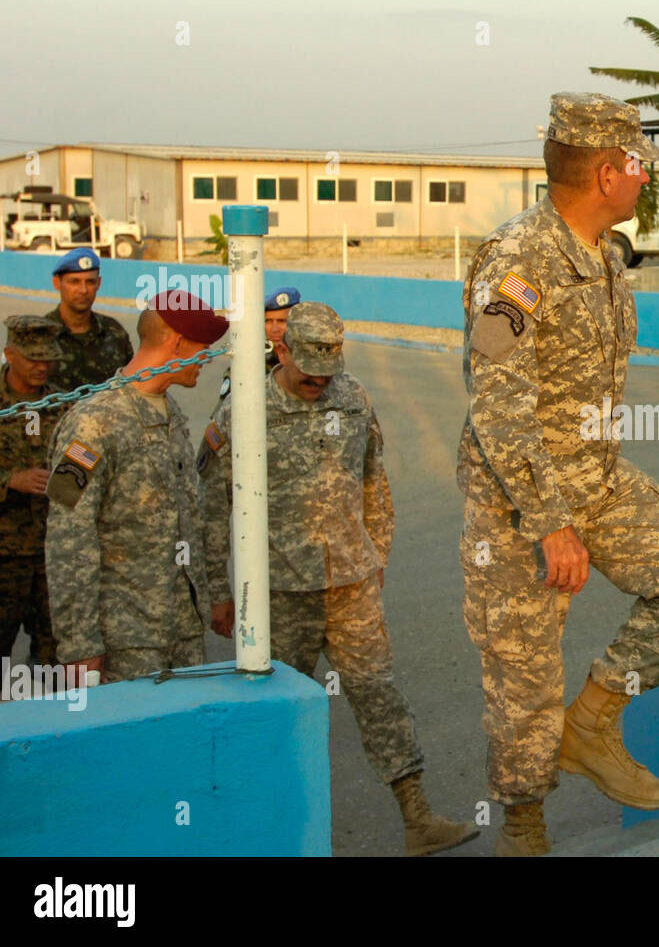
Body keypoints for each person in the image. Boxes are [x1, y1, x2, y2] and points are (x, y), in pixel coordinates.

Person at [459, 92, 659, 856]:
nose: (647, 179)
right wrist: (550, 521)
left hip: (597, 477)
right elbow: (497, 406)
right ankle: (524, 829)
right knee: (525, 684)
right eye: (640, 165)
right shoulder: (518, 260)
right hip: (521, 501)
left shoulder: (607, 258)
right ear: (609, 171)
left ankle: (596, 719)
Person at [199, 302, 476, 857]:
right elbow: (210, 506)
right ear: (282, 351)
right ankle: (256, 831)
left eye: (328, 371)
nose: (318, 384)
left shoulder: (352, 398)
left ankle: (417, 819)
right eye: (308, 373)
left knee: (380, 697)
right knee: (272, 711)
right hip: (279, 591)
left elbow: (375, 481)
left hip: (351, 583)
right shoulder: (245, 409)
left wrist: (379, 556)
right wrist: (219, 591)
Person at [45, 290, 226, 684]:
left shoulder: (171, 411)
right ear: (177, 342)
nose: (209, 358)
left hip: (183, 629)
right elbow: (68, 539)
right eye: (203, 346)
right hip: (127, 640)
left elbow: (190, 517)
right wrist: (79, 644)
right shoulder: (94, 422)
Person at [0, 316, 67, 692]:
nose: (41, 367)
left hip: (54, 557)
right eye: (32, 358)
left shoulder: (62, 405)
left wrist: (65, 482)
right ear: (8, 354)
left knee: (58, 661)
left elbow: (83, 460)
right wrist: (8, 481)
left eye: (48, 359)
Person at [44, 247, 134, 392]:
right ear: (57, 283)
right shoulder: (39, 334)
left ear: (99, 283)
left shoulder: (114, 332)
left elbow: (130, 385)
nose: (83, 290)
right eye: (74, 282)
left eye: (90, 282)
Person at [210, 286, 298, 416]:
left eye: (281, 321)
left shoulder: (311, 360)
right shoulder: (249, 364)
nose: (274, 329)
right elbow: (221, 417)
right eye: (268, 321)